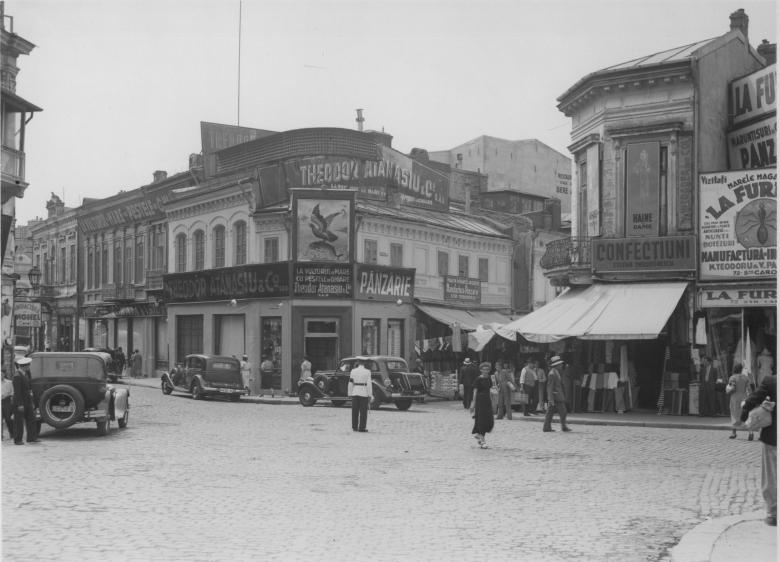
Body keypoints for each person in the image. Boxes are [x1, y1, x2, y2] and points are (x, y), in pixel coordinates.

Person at [740, 374, 777, 526]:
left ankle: (773, 513)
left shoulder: (771, 381)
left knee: (771, 476)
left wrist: (744, 414)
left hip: (773, 437)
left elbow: (753, 399)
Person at [12, 357, 39, 445]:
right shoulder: (17, 376)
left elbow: (29, 388)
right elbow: (17, 392)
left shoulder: (25, 374)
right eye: (28, 365)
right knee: (19, 421)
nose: (29, 366)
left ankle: (31, 438)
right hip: (20, 402)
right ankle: (18, 439)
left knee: (31, 418)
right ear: (24, 366)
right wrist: (19, 404)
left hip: (27, 401)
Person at [543, 355, 571, 433]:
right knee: (563, 411)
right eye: (560, 364)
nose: (561, 365)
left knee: (551, 412)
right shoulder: (552, 374)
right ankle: (562, 426)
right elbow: (549, 387)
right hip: (555, 396)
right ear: (556, 365)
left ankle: (547, 427)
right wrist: (551, 399)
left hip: (557, 396)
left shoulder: (556, 372)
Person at [470, 361, 494, 448]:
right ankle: (483, 441)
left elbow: (490, 390)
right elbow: (475, 391)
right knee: (481, 420)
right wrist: (473, 403)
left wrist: (493, 401)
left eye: (487, 369)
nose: (486, 371)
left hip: (487, 401)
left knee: (489, 421)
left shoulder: (489, 378)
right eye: (484, 369)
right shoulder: (478, 379)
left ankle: (478, 434)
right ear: (481, 370)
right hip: (480, 401)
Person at [728, 363, 754, 440]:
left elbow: (732, 387)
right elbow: (749, 389)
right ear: (741, 370)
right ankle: (750, 432)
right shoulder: (746, 378)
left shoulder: (732, 377)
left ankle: (734, 433)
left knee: (734, 415)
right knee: (745, 415)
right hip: (744, 397)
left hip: (734, 398)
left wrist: (727, 390)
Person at [348, 358, 373, 432]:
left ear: (358, 362)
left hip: (355, 391)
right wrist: (370, 395)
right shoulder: (367, 372)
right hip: (364, 392)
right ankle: (362, 427)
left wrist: (349, 393)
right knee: (363, 411)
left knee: (354, 410)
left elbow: (350, 382)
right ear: (364, 363)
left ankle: (354, 427)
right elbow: (369, 384)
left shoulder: (353, 371)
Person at [2, 366, 14, 439]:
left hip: (7, 401)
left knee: (8, 419)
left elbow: (12, 393)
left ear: (4, 374)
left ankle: (12, 433)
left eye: (2, 374)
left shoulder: (9, 382)